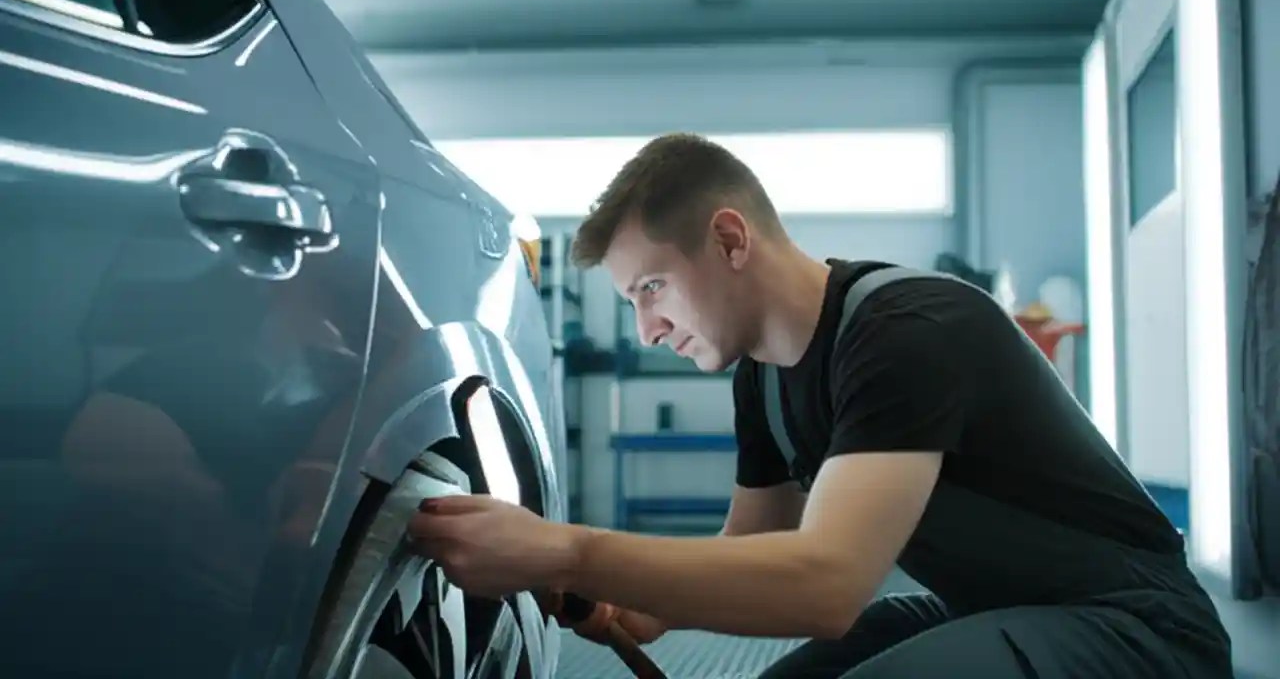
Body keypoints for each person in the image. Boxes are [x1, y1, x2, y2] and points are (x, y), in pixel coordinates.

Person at [407, 133, 1234, 677]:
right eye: (631, 301)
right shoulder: (761, 375)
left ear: (731, 240)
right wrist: (638, 603)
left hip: (1138, 632)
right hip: (996, 606)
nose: (647, 329)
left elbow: (825, 585)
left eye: (651, 288)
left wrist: (565, 552)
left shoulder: (907, 328)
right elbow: (754, 552)